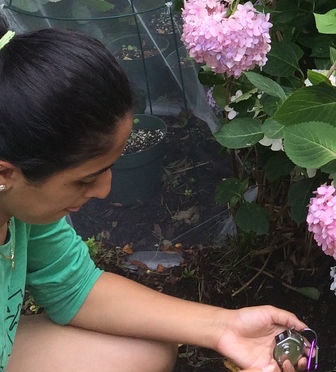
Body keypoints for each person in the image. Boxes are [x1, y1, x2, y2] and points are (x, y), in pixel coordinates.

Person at [0, 26, 310, 372]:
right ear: (5, 174)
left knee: (146, 352)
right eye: (84, 180)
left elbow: (74, 287)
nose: (104, 190)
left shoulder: (20, 210)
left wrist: (225, 327)